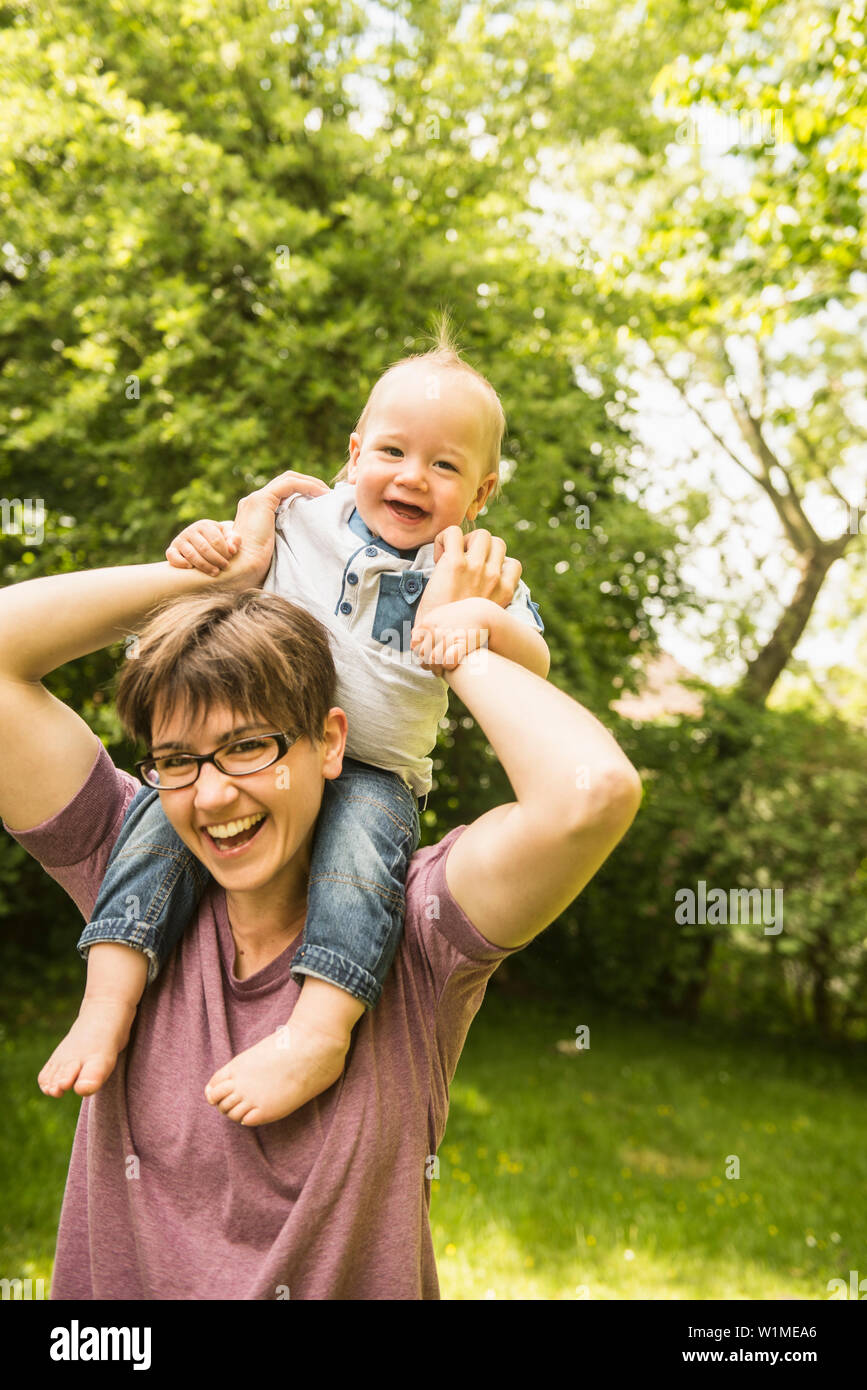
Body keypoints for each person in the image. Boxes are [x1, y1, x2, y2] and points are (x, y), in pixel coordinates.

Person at [0, 472, 642, 1300]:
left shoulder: (417, 929)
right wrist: (212, 580)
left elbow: (591, 791)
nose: (213, 795)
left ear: (330, 742)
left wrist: (456, 636)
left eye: (249, 748)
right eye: (178, 760)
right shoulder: (128, 865)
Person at [37, 335, 551, 1126]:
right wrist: (199, 556)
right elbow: (219, 570)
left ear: (479, 495)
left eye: (445, 467)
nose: (413, 476)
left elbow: (535, 661)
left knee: (357, 877)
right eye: (392, 450)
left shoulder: (471, 568)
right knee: (148, 836)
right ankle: (107, 999)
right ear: (352, 454)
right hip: (246, 750)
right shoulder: (305, 520)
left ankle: (317, 1032)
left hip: (376, 770)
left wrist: (472, 618)